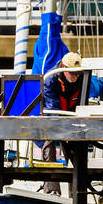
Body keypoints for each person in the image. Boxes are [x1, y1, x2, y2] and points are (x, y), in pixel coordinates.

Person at [40, 53, 84, 195]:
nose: (76, 77)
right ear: (64, 68)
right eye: (73, 74)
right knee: (49, 144)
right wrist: (61, 128)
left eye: (78, 74)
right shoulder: (50, 79)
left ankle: (77, 193)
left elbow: (83, 101)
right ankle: (52, 190)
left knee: (76, 151)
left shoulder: (82, 78)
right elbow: (51, 106)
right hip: (53, 119)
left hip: (72, 118)